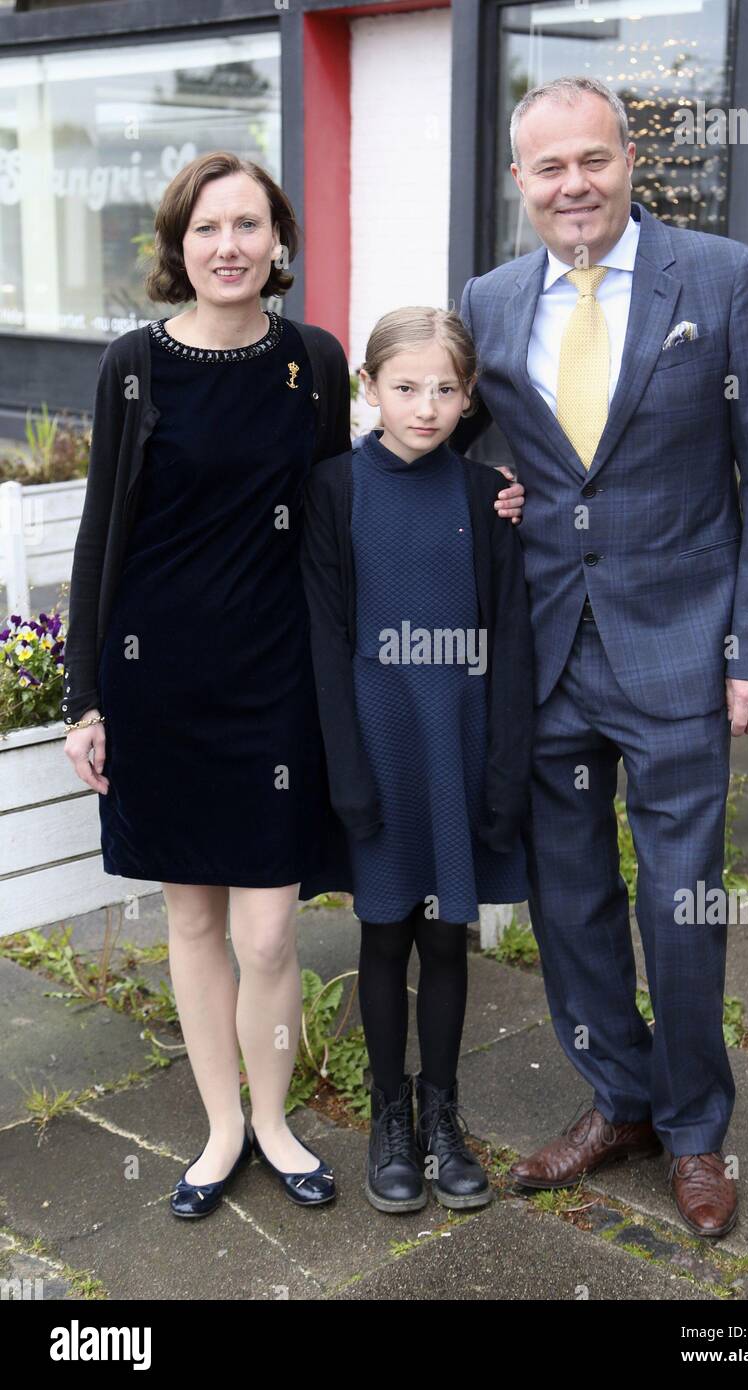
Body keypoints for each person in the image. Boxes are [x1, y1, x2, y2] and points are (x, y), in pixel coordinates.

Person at [62, 152, 525, 1222]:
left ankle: (275, 1118)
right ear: (179, 247)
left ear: (278, 242)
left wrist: (495, 492)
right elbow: (99, 540)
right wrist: (87, 698)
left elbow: (371, 477)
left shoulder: (312, 362)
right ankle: (221, 1128)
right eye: (207, 227)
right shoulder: (132, 367)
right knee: (191, 924)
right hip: (159, 686)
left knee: (268, 933)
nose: (229, 246)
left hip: (278, 682)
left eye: (249, 225)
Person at [449, 77, 748, 1239]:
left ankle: (697, 1127)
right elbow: (458, 437)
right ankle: (621, 1100)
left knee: (682, 901)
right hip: (546, 648)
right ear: (519, 182)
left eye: (590, 160)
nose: (572, 185)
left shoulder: (720, 276)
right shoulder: (490, 301)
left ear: (624, 158)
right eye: (547, 168)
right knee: (568, 901)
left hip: (680, 652)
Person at [300, 307, 534, 1212]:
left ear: (469, 395)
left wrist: (504, 774)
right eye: (405, 388)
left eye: (446, 389)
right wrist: (345, 776)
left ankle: (444, 1114)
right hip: (380, 743)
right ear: (368, 388)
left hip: (460, 748)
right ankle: (389, 1116)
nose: (426, 406)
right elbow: (325, 638)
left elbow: (510, 640)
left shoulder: (487, 498)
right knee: (385, 930)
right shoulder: (335, 491)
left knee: (447, 935)